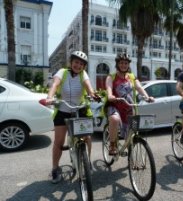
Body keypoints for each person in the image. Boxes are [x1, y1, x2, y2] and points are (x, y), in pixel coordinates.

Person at [45, 50, 99, 183]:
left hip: (80, 109)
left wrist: (92, 94)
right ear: (71, 62)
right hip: (63, 111)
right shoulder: (62, 72)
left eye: (81, 64)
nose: (78, 65)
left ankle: (87, 162)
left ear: (84, 66)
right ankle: (55, 168)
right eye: (76, 62)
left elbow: (88, 87)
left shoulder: (83, 75)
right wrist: (49, 97)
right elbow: (55, 84)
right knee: (59, 142)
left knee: (86, 137)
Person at [105, 52, 154, 155]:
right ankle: (112, 145)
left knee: (130, 135)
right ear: (117, 64)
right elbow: (109, 87)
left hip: (129, 107)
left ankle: (129, 154)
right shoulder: (111, 77)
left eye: (126, 63)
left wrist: (147, 97)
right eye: (121, 63)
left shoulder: (131, 77)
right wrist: (110, 96)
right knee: (114, 119)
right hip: (115, 106)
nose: (124, 65)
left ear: (128, 65)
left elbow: (139, 87)